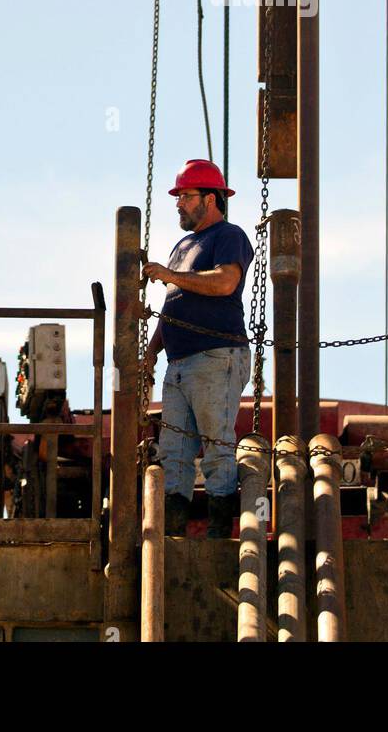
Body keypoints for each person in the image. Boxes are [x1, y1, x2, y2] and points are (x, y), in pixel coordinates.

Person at [143, 159, 253, 537]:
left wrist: (170, 275)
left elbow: (224, 282)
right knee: (174, 451)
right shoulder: (182, 247)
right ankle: (172, 535)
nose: (178, 204)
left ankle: (220, 534)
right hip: (179, 363)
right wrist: (152, 351)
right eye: (178, 197)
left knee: (217, 445)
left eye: (185, 196)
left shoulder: (229, 236)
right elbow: (174, 302)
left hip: (215, 356)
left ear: (210, 199)